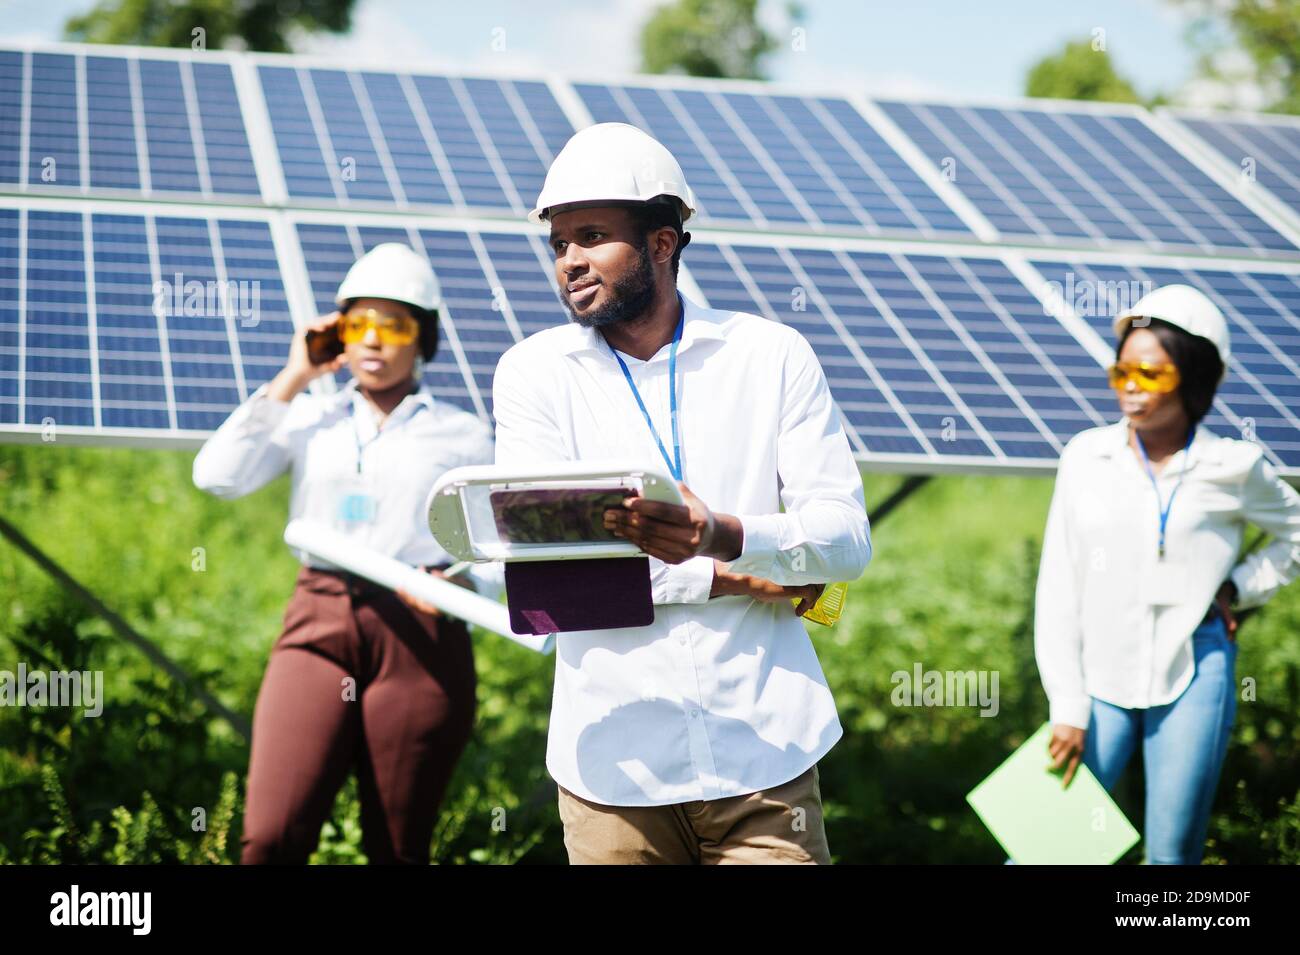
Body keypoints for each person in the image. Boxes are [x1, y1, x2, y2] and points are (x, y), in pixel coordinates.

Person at [491, 122, 872, 864]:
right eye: (559, 243)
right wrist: (724, 573)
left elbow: (846, 539)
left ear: (662, 244)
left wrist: (725, 529)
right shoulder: (533, 374)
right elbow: (547, 580)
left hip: (766, 756)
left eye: (592, 236)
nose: (569, 260)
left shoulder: (770, 356)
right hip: (613, 766)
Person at [193, 243, 499, 864]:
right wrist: (296, 375)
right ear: (337, 333)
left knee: (396, 846)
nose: (374, 340)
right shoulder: (309, 417)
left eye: (395, 324)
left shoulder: (462, 432)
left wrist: (467, 588)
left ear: (424, 336)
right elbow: (217, 477)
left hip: (422, 628)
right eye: (358, 323)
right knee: (273, 836)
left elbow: (494, 543)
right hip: (320, 616)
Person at [1034, 284, 1300, 864]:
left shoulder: (1234, 466)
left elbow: (1295, 530)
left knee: (1171, 857)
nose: (1131, 386)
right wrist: (1067, 706)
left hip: (1194, 667)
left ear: (1195, 378)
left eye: (1150, 374)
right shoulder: (1085, 457)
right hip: (1097, 676)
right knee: (1053, 849)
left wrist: (1239, 587)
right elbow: (1057, 588)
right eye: (1121, 371)